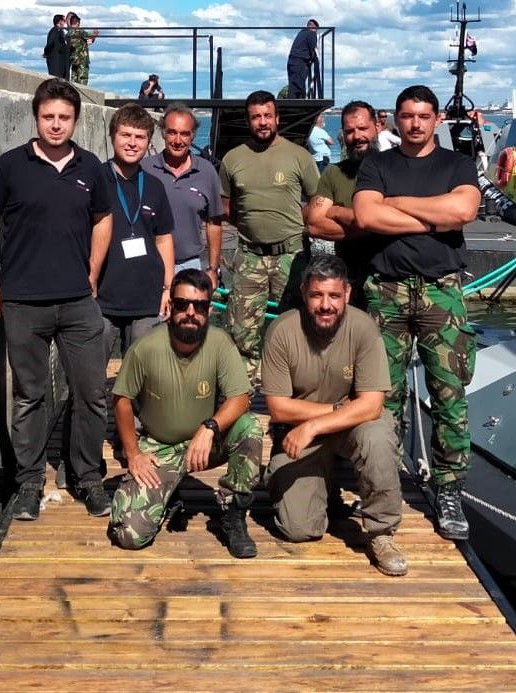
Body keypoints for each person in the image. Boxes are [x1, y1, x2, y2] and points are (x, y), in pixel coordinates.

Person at [0, 78, 114, 522]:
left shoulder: (91, 168)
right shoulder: (11, 167)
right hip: (23, 302)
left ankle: (86, 477)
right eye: (48, 117)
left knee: (92, 393)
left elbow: (103, 220)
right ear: (36, 118)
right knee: (30, 397)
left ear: (76, 121)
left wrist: (92, 274)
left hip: (77, 301)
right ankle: (30, 483)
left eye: (64, 118)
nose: (56, 125)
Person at [352, 83, 481, 542]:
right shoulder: (378, 164)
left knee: (449, 394)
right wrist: (434, 217)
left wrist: (399, 205)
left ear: (437, 119)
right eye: (407, 115)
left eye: (424, 116)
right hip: (386, 290)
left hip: (440, 293)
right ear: (396, 119)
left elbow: (463, 210)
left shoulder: (457, 164)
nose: (415, 123)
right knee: (381, 396)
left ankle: (449, 489)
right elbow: (367, 217)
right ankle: (384, 485)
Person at [262, 256, 406, 576]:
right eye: (317, 295)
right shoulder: (282, 331)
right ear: (303, 293)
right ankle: (322, 487)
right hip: (300, 430)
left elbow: (371, 405)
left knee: (378, 436)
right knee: (299, 529)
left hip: (347, 426)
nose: (325, 305)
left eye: (334, 296)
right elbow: (278, 407)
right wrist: (335, 411)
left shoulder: (364, 328)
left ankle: (382, 533)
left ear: (347, 295)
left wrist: (315, 424)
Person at [108, 269, 263, 558]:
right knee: (129, 534)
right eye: (182, 305)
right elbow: (121, 400)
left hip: (205, 442)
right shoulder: (146, 347)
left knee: (250, 427)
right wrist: (133, 454)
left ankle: (233, 513)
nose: (190, 313)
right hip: (159, 446)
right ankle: (168, 497)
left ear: (209, 309)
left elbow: (241, 398)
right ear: (171, 306)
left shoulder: (220, 343)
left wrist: (210, 427)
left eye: (200, 306)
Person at [217, 90, 319, 385]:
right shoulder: (233, 159)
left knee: (298, 329)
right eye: (255, 117)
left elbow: (317, 201)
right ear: (249, 121)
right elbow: (228, 206)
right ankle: (241, 403)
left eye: (267, 116)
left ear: (277, 118)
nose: (262, 122)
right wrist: (254, 228)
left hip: (291, 255)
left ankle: (294, 395)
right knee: (242, 333)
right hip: (249, 256)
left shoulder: (298, 156)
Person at [98, 104, 176, 358]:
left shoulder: (154, 186)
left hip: (146, 299)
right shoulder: (95, 179)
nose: (132, 143)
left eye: (140, 137)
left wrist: (168, 289)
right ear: (113, 137)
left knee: (142, 378)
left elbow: (164, 239)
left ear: (149, 142)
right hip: (102, 299)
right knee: (88, 379)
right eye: (126, 135)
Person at [305, 100, 384, 301]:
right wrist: (374, 226)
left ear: (377, 126)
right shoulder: (335, 173)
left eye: (363, 128)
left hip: (390, 280)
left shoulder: (397, 168)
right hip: (350, 280)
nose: (357, 136)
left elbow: (395, 219)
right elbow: (315, 225)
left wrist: (338, 212)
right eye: (349, 131)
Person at [144, 104, 224, 287]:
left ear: (192, 136)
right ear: (163, 133)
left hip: (190, 266)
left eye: (185, 134)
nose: (178, 140)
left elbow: (214, 223)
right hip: (151, 264)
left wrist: (213, 269)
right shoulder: (145, 169)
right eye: (172, 132)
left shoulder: (206, 171)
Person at [287, 19, 320, 99]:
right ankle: (299, 102)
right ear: (313, 27)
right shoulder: (311, 33)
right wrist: (314, 58)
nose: (316, 31)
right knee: (299, 84)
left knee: (293, 84)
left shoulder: (301, 33)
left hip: (292, 61)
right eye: (316, 29)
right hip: (300, 61)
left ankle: (293, 101)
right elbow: (312, 47)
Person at [67, 11, 99, 86]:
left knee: (73, 82)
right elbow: (91, 35)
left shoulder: (68, 33)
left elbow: (83, 43)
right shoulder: (80, 32)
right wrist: (95, 34)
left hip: (74, 61)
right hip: (82, 62)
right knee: (82, 82)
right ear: (77, 23)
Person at [43, 14, 71, 79]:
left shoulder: (61, 32)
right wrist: (46, 52)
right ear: (59, 21)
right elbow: (50, 44)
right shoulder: (54, 31)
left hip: (63, 64)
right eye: (64, 20)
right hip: (56, 64)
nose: (65, 23)